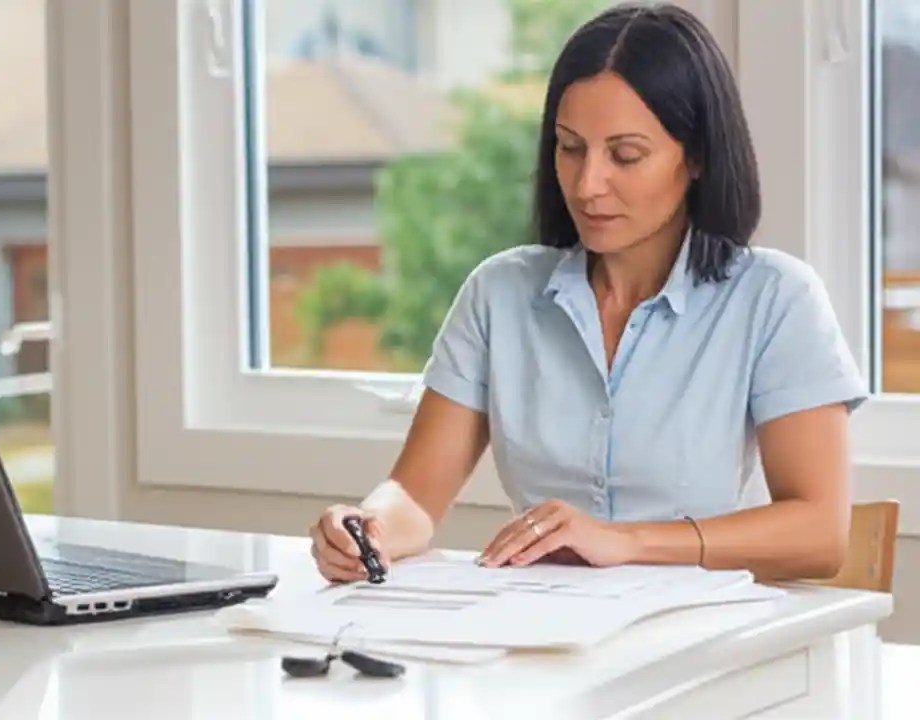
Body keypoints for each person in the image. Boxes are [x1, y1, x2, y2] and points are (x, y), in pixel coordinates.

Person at [308, 2, 867, 584]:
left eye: (625, 155)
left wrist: (623, 542)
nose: (586, 183)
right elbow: (415, 498)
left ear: (697, 157)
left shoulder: (774, 298)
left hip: (697, 637)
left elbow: (819, 533)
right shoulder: (499, 294)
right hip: (542, 637)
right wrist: (367, 527)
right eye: (570, 147)